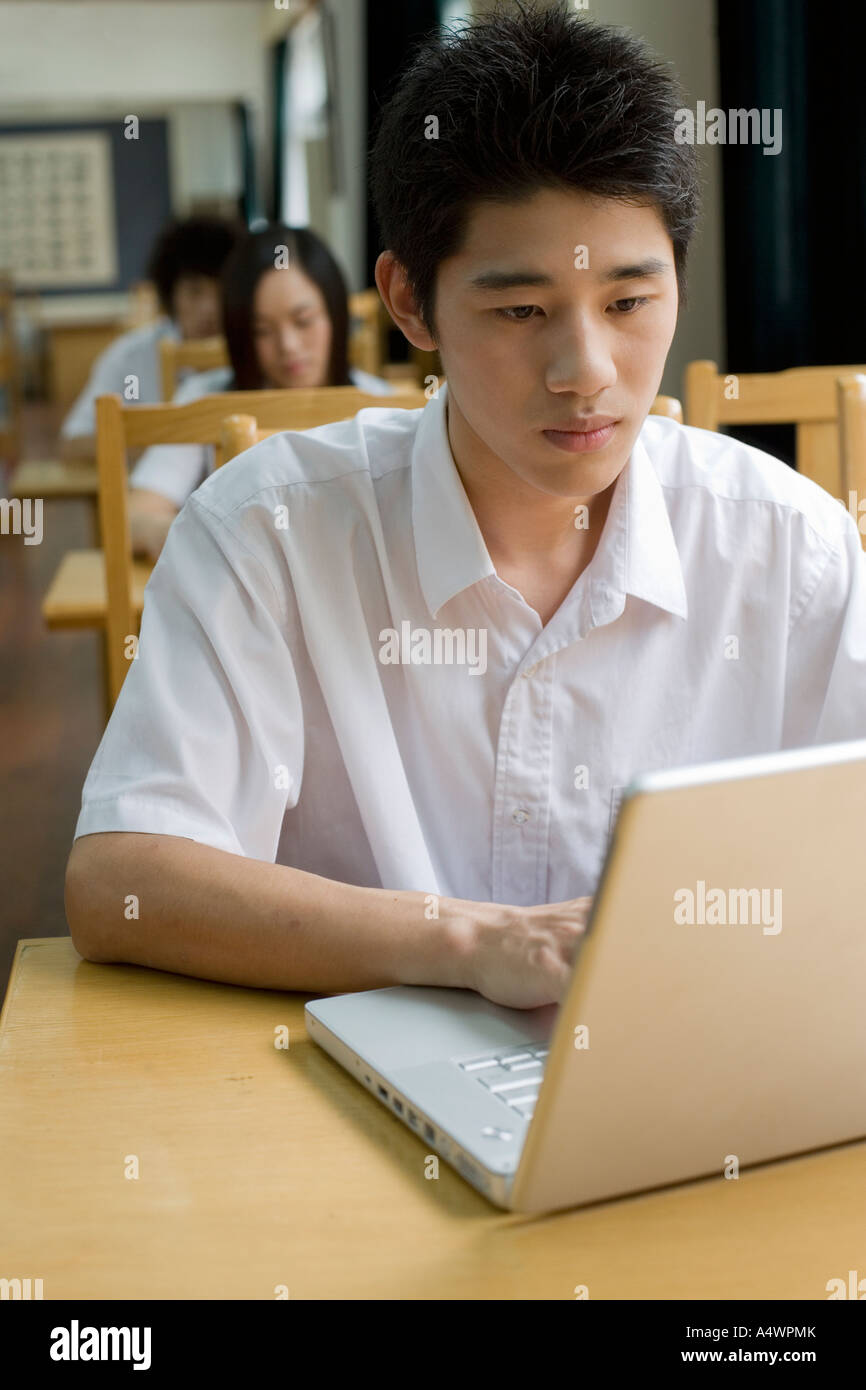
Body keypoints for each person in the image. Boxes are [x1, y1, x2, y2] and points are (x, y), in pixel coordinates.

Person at [66, 4, 866, 1011]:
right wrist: (474, 939)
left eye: (628, 302)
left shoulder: (788, 543)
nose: (585, 373)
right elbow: (121, 884)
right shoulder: (268, 530)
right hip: (346, 1118)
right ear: (409, 303)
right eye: (519, 310)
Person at [128, 224, 395, 561]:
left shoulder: (382, 406)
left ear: (335, 315)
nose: (288, 346)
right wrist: (207, 541)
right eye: (261, 330)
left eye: (303, 321)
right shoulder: (206, 403)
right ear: (239, 335)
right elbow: (135, 516)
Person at [59, 216, 240, 459]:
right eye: (194, 291)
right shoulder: (130, 358)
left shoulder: (258, 354)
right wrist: (160, 454)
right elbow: (73, 442)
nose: (209, 308)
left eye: (222, 291)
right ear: (171, 294)